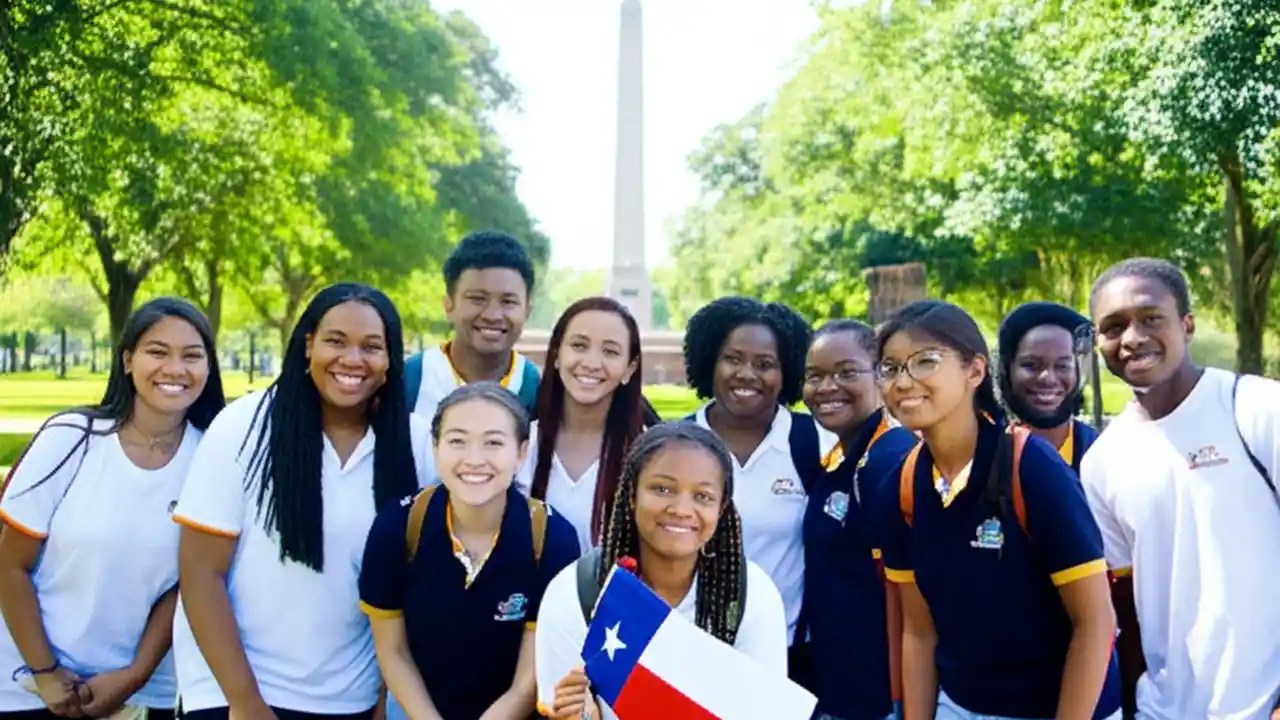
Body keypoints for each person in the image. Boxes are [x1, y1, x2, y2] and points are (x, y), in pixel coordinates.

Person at [173, 283, 430, 720]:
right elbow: (200, 572)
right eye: (335, 341)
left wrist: (388, 693)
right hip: (232, 693)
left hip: (352, 698)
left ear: (390, 361)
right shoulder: (244, 426)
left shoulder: (417, 442)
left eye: (372, 346)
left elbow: (410, 586)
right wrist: (245, 702)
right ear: (308, 345)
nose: (353, 359)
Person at [873, 299, 1121, 720]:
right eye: (891, 368)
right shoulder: (899, 487)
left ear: (975, 370)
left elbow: (1095, 623)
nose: (904, 380)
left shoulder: (1032, 468)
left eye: (925, 362)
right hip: (960, 704)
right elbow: (918, 632)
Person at [0, 297, 225, 720]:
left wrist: (134, 675)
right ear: (127, 361)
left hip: (140, 694)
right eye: (157, 352)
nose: (175, 369)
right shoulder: (69, 438)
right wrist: (46, 673)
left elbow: (190, 583)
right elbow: (9, 565)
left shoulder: (214, 456)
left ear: (208, 369)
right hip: (24, 685)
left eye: (192, 356)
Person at [1083, 257, 1280, 720]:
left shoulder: (1257, 408)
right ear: (1098, 342)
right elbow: (1125, 606)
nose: (1132, 338)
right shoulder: (1102, 463)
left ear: (1187, 326)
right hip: (1164, 711)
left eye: (1152, 318)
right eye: (1114, 327)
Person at [535, 422, 788, 720]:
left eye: (703, 496)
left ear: (720, 510)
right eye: (662, 489)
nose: (681, 509)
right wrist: (581, 716)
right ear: (632, 496)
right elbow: (561, 705)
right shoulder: (577, 591)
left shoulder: (751, 595)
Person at [358, 383, 579, 720]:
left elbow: (527, 680)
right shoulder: (398, 528)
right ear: (435, 447)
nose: (474, 459)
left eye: (493, 442)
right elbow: (393, 652)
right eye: (457, 441)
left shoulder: (552, 538)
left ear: (521, 453)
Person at [681, 296, 819, 681]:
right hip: (688, 651)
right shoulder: (672, 442)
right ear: (710, 360)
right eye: (733, 358)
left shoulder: (813, 443)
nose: (747, 374)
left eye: (765, 364)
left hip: (786, 656)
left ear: (787, 370)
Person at [801, 320, 917, 720]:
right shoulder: (840, 456)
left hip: (881, 699)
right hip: (837, 688)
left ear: (881, 375)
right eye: (814, 376)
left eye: (846, 372)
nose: (827, 387)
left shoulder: (890, 459)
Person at [515, 297, 661, 549]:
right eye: (579, 346)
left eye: (610, 352)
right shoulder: (520, 445)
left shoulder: (652, 454)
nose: (592, 363)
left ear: (630, 368)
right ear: (556, 355)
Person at [403, 231, 540, 430]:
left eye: (508, 302)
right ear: (449, 305)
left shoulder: (536, 392)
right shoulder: (409, 382)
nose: (492, 315)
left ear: (527, 310)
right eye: (477, 299)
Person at [996, 302, 1098, 471]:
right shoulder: (984, 457)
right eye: (1031, 365)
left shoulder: (1101, 455)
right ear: (1007, 369)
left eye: (1062, 366)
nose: (1048, 378)